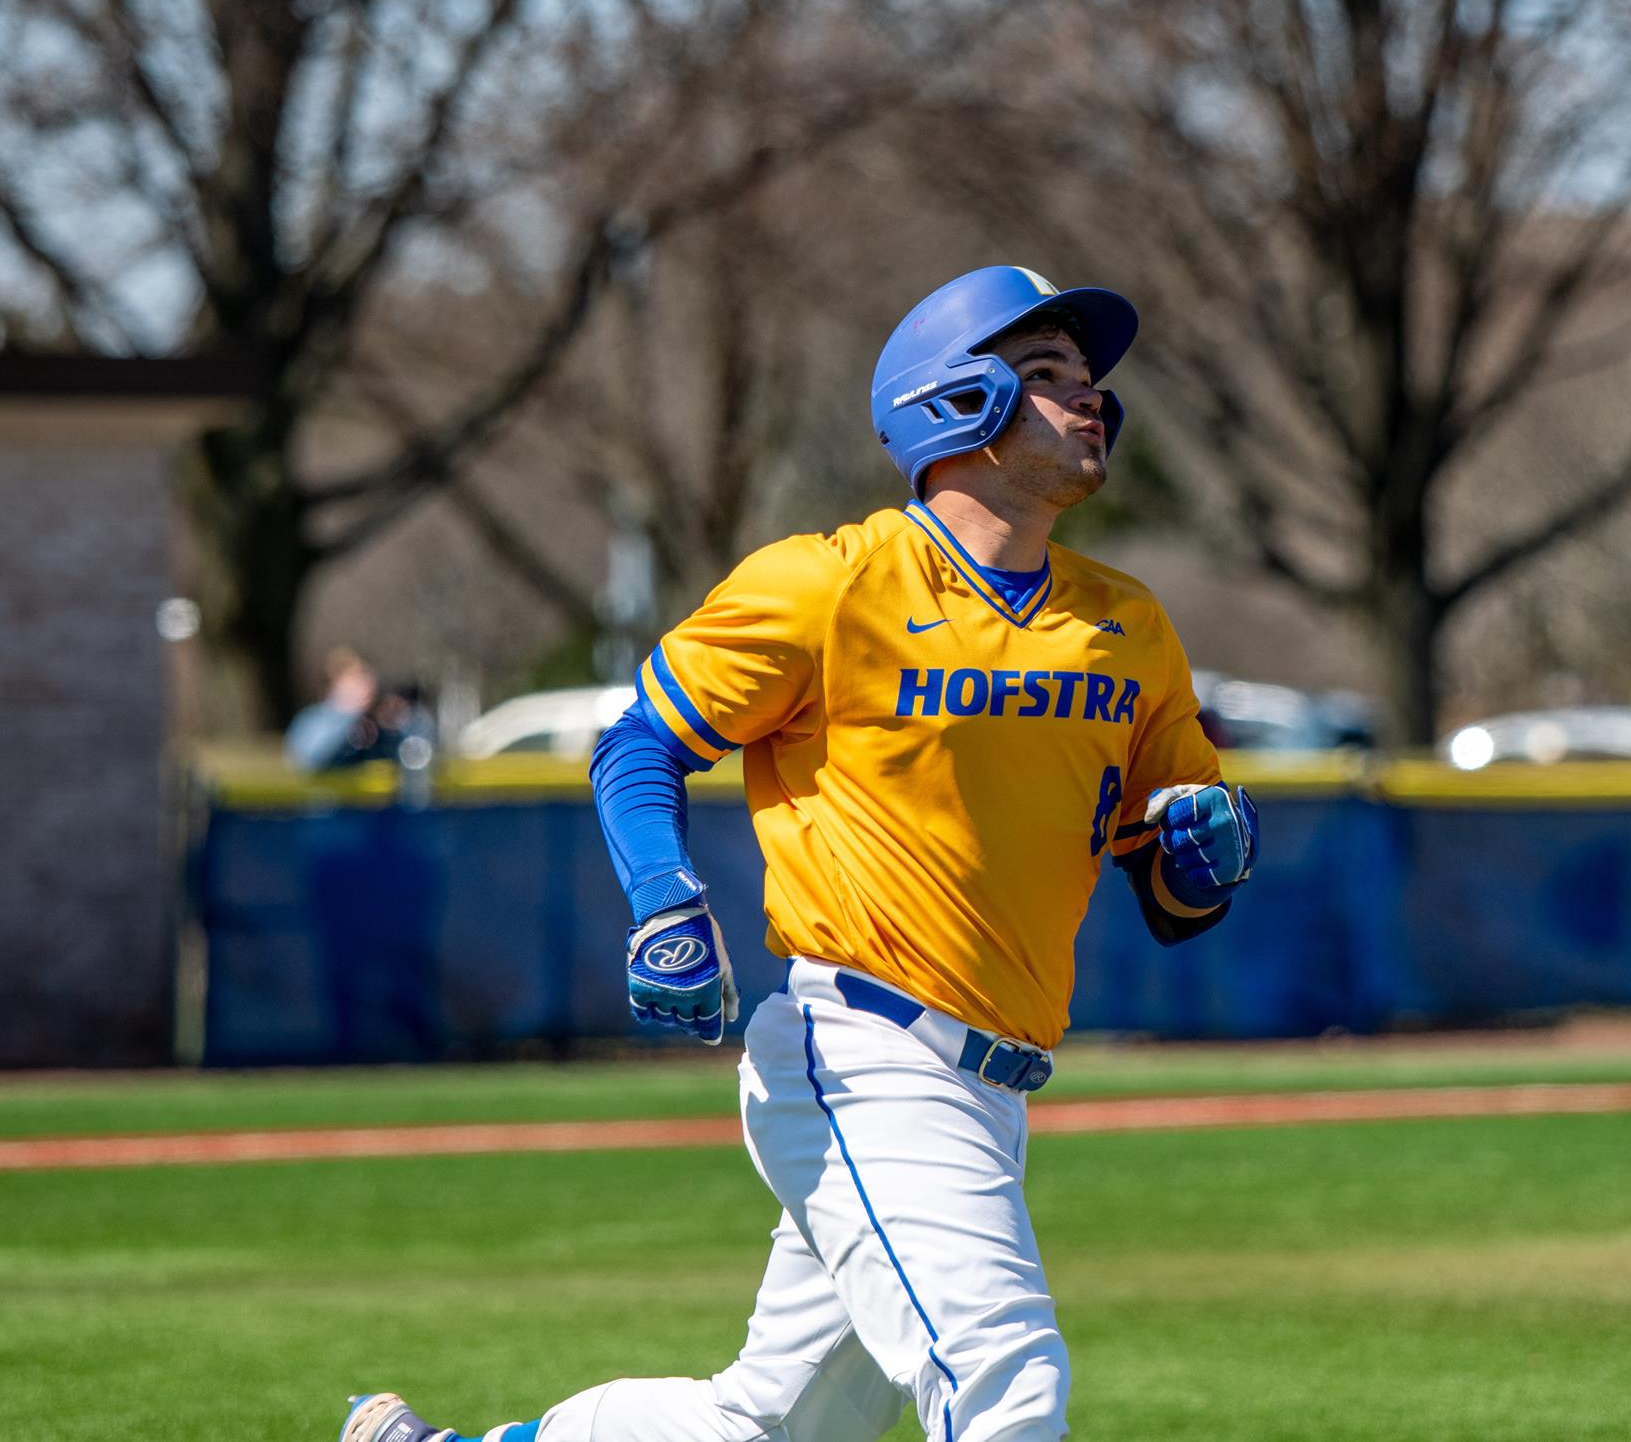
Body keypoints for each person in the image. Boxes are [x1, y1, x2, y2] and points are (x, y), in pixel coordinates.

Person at [338, 266, 1261, 1442]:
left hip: (994, 1085)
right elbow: (638, 746)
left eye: (1088, 382)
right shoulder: (830, 584)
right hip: (862, 1049)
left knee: (764, 1430)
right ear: (954, 405)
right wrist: (664, 899)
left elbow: (1175, 881)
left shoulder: (1127, 622)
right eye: (1044, 377)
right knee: (1004, 1373)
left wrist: (1203, 847)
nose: (1088, 402)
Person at [286, 649, 436, 772]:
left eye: (367, 677)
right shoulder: (313, 720)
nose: (366, 685)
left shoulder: (377, 721)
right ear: (335, 683)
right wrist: (348, 717)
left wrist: (403, 717)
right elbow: (313, 760)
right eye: (356, 678)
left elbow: (420, 754)